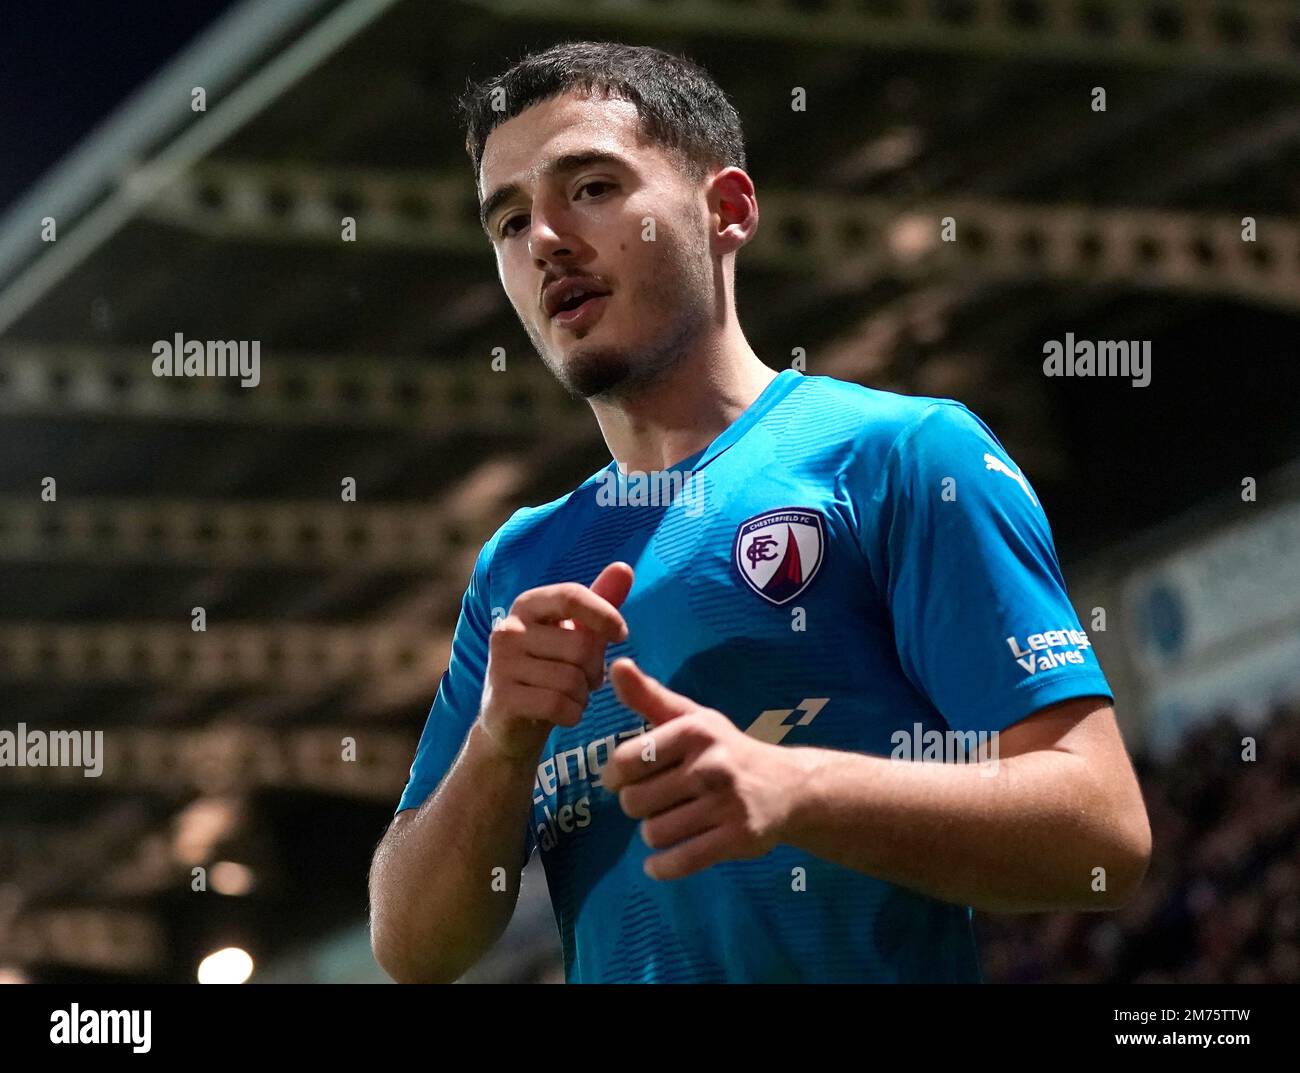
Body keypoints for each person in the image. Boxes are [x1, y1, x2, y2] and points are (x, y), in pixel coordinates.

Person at [368, 40, 1151, 983]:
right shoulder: (520, 565)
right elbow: (411, 948)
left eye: (590, 187)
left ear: (726, 209)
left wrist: (796, 787)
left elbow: (1104, 835)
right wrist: (498, 745)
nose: (543, 239)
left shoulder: (901, 458)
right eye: (507, 219)